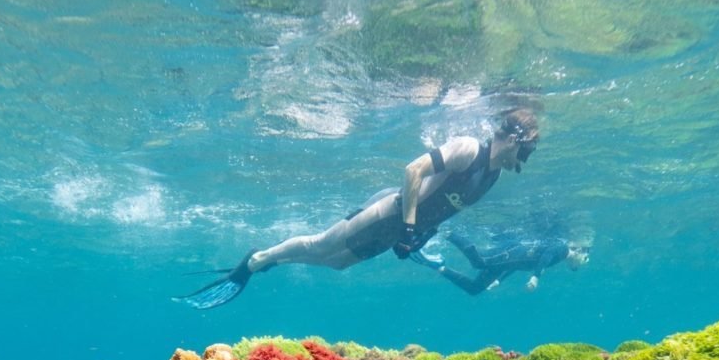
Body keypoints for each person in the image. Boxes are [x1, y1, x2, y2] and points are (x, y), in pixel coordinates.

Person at [180, 108, 540, 309]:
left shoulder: (493, 175)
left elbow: (447, 207)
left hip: (403, 231)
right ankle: (258, 259)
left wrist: (420, 236)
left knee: (336, 263)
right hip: (390, 212)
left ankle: (273, 260)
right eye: (525, 151)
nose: (523, 160)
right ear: (513, 138)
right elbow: (413, 171)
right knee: (321, 244)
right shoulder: (468, 149)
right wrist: (410, 226)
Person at [411, 228, 589, 295]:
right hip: (510, 252)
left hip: (509, 261)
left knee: (475, 288)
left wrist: (499, 280)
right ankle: (448, 232)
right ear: (580, 251)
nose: (581, 264)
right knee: (479, 261)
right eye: (585, 259)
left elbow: (518, 265)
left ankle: (440, 267)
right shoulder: (563, 249)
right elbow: (546, 256)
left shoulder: (560, 255)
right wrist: (536, 277)